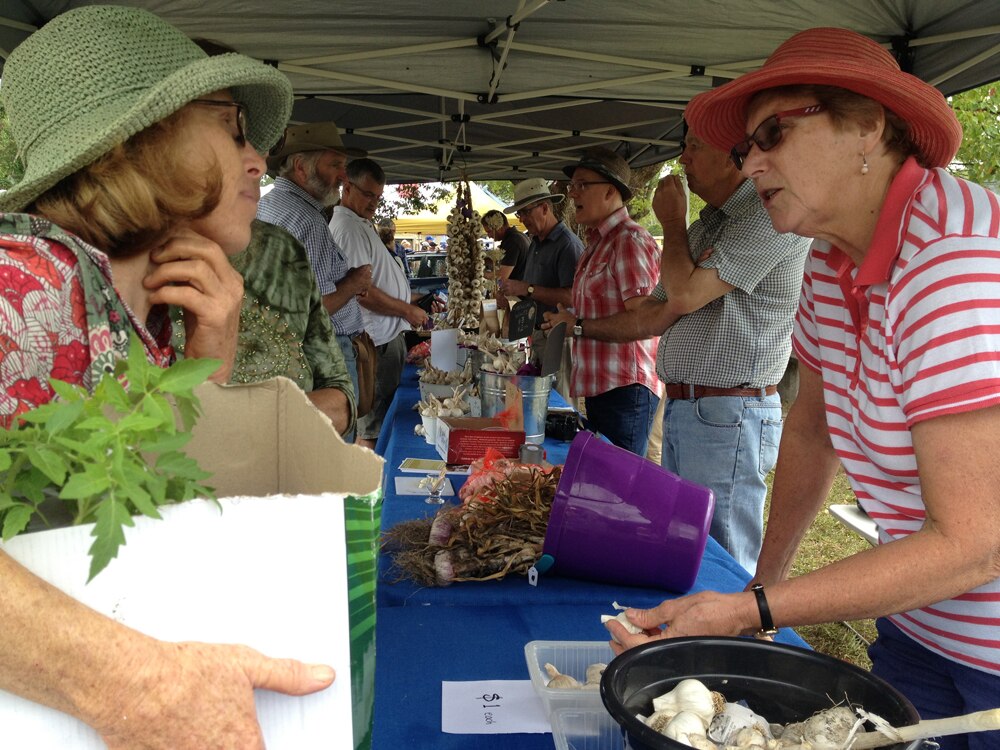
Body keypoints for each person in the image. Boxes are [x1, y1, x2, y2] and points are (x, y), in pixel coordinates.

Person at [609, 28, 1000, 748]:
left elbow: (975, 543)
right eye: (745, 146)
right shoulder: (829, 260)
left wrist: (752, 610)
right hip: (918, 627)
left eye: (774, 133)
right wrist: (759, 594)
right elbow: (813, 430)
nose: (751, 160)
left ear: (867, 128)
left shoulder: (953, 268)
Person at [0, 5, 334, 748]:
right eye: (232, 128)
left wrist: (205, 356)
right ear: (133, 143)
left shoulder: (137, 304)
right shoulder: (22, 285)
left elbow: (157, 492)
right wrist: (136, 686)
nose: (260, 162)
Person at [546, 130, 808, 567]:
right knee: (687, 542)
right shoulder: (708, 224)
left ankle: (738, 634)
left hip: (729, 411)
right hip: (693, 408)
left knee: (722, 552)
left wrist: (671, 223)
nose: (682, 158)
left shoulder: (766, 217)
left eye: (694, 147)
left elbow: (681, 298)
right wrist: (579, 328)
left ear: (732, 155)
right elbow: (655, 313)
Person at [175, 219, 357, 435]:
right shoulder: (137, 263)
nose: (254, 182)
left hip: (293, 459)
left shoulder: (284, 250)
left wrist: (261, 424)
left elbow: (342, 400)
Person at [543, 148, 662, 455]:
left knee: (620, 488)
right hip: (604, 389)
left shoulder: (628, 241)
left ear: (611, 190)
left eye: (582, 185)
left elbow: (645, 321)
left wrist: (578, 326)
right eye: (572, 186)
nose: (573, 194)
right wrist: (567, 320)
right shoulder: (598, 243)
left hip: (626, 390)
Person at [257, 122, 373, 440]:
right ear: (300, 166)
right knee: (334, 450)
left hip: (288, 353)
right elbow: (317, 308)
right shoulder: (307, 219)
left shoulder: (265, 205)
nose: (343, 176)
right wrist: (353, 283)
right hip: (324, 355)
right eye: (335, 164)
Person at [330, 158, 428, 449]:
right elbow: (364, 292)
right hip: (374, 343)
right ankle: (369, 490)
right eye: (367, 194)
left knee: (381, 424)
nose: (373, 203)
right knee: (371, 430)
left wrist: (411, 300)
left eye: (378, 197)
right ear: (347, 187)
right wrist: (406, 309)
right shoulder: (347, 227)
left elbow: (377, 282)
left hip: (385, 340)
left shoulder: (359, 223)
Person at [498, 178, 584, 401]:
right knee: (540, 399)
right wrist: (513, 295)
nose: (523, 219)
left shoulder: (567, 245)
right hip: (538, 334)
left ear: (544, 208)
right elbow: (532, 289)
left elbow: (572, 297)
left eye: (525, 212)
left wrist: (526, 289)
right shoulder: (535, 241)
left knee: (558, 400)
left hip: (559, 337)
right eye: (520, 215)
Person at [481, 208, 529, 281]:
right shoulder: (517, 236)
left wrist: (480, 272)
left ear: (499, 226)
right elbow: (503, 261)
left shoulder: (513, 241)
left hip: (519, 290)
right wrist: (481, 260)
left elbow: (501, 277)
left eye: (489, 232)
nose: (489, 236)